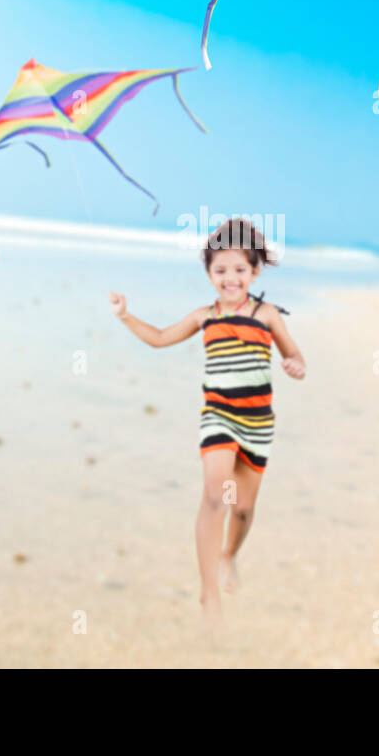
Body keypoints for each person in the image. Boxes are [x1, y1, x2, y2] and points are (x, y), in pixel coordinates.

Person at [109, 218, 306, 621]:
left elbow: (293, 353)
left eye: (239, 270)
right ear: (209, 274)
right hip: (218, 416)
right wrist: (126, 316)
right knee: (216, 495)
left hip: (258, 423)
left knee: (244, 509)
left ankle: (229, 554)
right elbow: (161, 337)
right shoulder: (204, 317)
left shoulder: (267, 315)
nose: (230, 278)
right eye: (220, 270)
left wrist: (295, 364)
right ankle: (208, 592)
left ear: (254, 271)